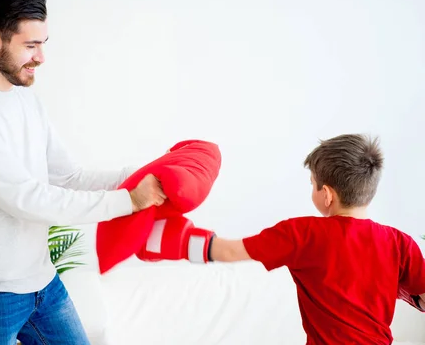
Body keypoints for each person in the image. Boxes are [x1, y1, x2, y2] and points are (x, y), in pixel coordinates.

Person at [0, 0, 166, 344]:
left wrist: (136, 177)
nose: (41, 57)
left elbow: (66, 176)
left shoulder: (25, 100)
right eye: (30, 45)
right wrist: (128, 202)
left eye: (42, 44)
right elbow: (28, 199)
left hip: (41, 282)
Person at [142, 134, 425, 344]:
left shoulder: (302, 233)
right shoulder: (400, 243)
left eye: (312, 184)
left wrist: (163, 238)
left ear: (326, 195)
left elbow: (228, 251)